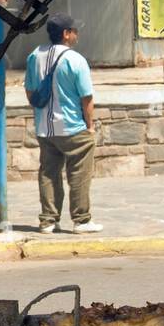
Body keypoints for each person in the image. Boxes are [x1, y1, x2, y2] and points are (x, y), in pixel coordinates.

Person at [25, 12, 99, 233]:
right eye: (74, 30)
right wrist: (90, 126)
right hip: (72, 126)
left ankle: (48, 220)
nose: (77, 34)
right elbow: (87, 98)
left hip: (44, 128)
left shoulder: (34, 56)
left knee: (49, 172)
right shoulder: (75, 60)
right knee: (79, 173)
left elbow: (30, 93)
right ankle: (81, 220)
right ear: (66, 34)